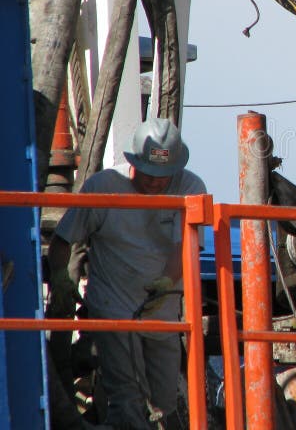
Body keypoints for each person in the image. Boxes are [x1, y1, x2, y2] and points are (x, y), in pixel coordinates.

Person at [48, 118, 206, 429]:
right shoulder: (103, 187)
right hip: (114, 310)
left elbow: (186, 247)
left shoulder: (189, 188)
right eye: (149, 173)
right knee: (127, 397)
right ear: (133, 160)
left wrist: (167, 281)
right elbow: (63, 241)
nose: (156, 183)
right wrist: (60, 279)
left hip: (162, 313)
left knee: (164, 401)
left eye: (163, 175)